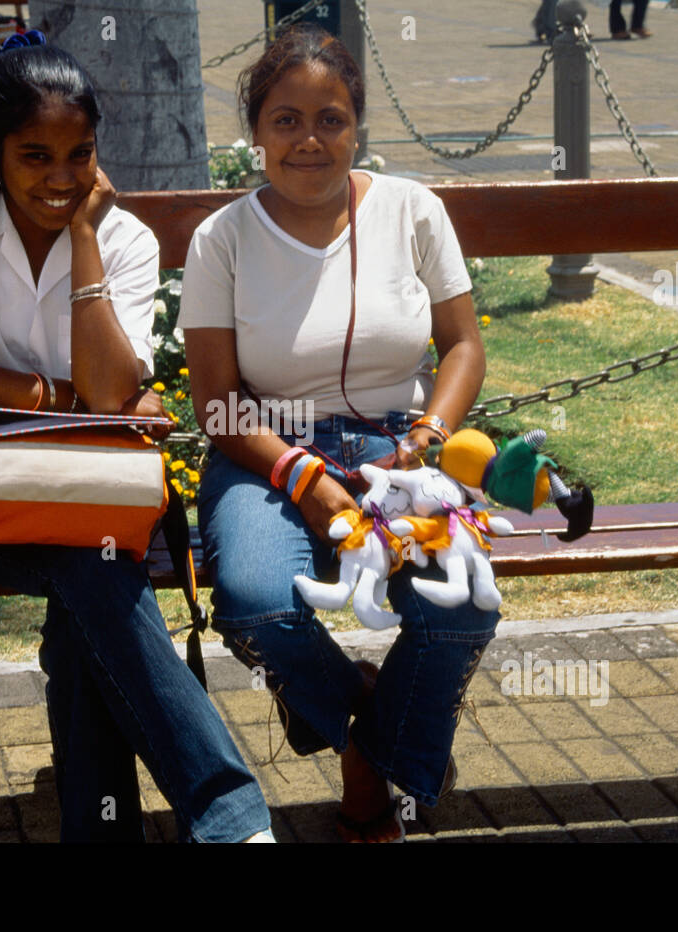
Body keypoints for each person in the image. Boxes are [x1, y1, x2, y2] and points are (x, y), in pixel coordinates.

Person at [0, 30, 273, 843]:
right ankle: (232, 819)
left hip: (95, 497)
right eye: (36, 157)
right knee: (93, 571)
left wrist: (87, 242)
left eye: (79, 155)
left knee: (85, 589)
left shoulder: (124, 240)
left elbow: (112, 390)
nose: (60, 180)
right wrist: (72, 401)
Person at [179, 24, 497, 844]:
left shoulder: (412, 210)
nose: (309, 139)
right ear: (255, 133)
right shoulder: (224, 238)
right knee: (253, 604)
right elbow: (214, 404)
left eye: (331, 119)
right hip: (265, 449)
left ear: (357, 127)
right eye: (285, 120)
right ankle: (374, 745)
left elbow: (463, 345)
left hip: (401, 452)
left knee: (458, 603)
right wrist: (300, 477)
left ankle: (369, 752)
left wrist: (427, 437)